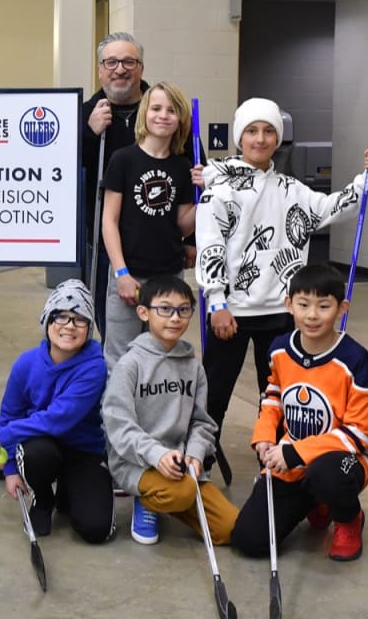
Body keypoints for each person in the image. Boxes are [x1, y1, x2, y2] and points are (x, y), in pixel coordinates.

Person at [195, 97, 368, 469]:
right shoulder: (218, 188)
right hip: (231, 312)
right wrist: (216, 301)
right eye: (252, 131)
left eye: (269, 131)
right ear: (240, 137)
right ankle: (200, 462)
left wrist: (367, 180)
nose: (260, 139)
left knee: (278, 394)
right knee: (214, 393)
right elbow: (210, 245)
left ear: (278, 139)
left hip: (282, 312)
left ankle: (275, 464)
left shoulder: (291, 189)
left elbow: (332, 208)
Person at [230, 264, 368, 562]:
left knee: (326, 475)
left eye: (324, 306)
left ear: (342, 308)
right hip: (292, 460)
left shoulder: (356, 359)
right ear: (289, 305)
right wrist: (264, 435)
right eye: (303, 305)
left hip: (345, 460)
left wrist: (296, 452)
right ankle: (315, 501)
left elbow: (360, 433)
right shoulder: (279, 349)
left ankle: (349, 517)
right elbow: (273, 396)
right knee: (250, 540)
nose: (312, 315)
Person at [101, 275, 238, 546]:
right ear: (144, 312)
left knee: (230, 529)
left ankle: (168, 496)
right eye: (164, 309)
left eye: (183, 310)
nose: (175, 318)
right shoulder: (130, 365)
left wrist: (195, 454)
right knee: (182, 492)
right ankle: (147, 499)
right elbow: (118, 426)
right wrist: (157, 455)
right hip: (137, 462)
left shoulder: (194, 367)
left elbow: (202, 422)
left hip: (181, 467)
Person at [0, 279, 114, 543]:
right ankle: (42, 497)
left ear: (89, 328)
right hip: (43, 447)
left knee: (95, 529)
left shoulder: (95, 366)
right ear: (47, 320)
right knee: (37, 453)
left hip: (83, 449)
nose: (69, 326)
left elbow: (58, 418)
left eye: (80, 319)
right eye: (61, 316)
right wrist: (10, 469)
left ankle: (68, 489)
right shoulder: (26, 363)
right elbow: (9, 416)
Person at [101, 81, 203, 371]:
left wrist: (205, 197)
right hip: (129, 275)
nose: (163, 115)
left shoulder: (183, 167)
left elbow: (182, 227)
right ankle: (119, 405)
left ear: (180, 118)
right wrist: (121, 273)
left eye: (171, 110)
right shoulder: (123, 160)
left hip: (168, 275)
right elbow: (109, 221)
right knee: (120, 361)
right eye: (156, 108)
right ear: (145, 113)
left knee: (161, 358)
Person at [82, 32, 150, 337]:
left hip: (156, 239)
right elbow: (65, 172)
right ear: (100, 70)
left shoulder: (163, 112)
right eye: (111, 62)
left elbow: (188, 170)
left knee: (158, 328)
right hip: (102, 244)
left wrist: (189, 239)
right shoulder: (83, 115)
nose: (120, 69)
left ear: (141, 68)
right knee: (111, 329)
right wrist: (89, 134)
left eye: (128, 62)